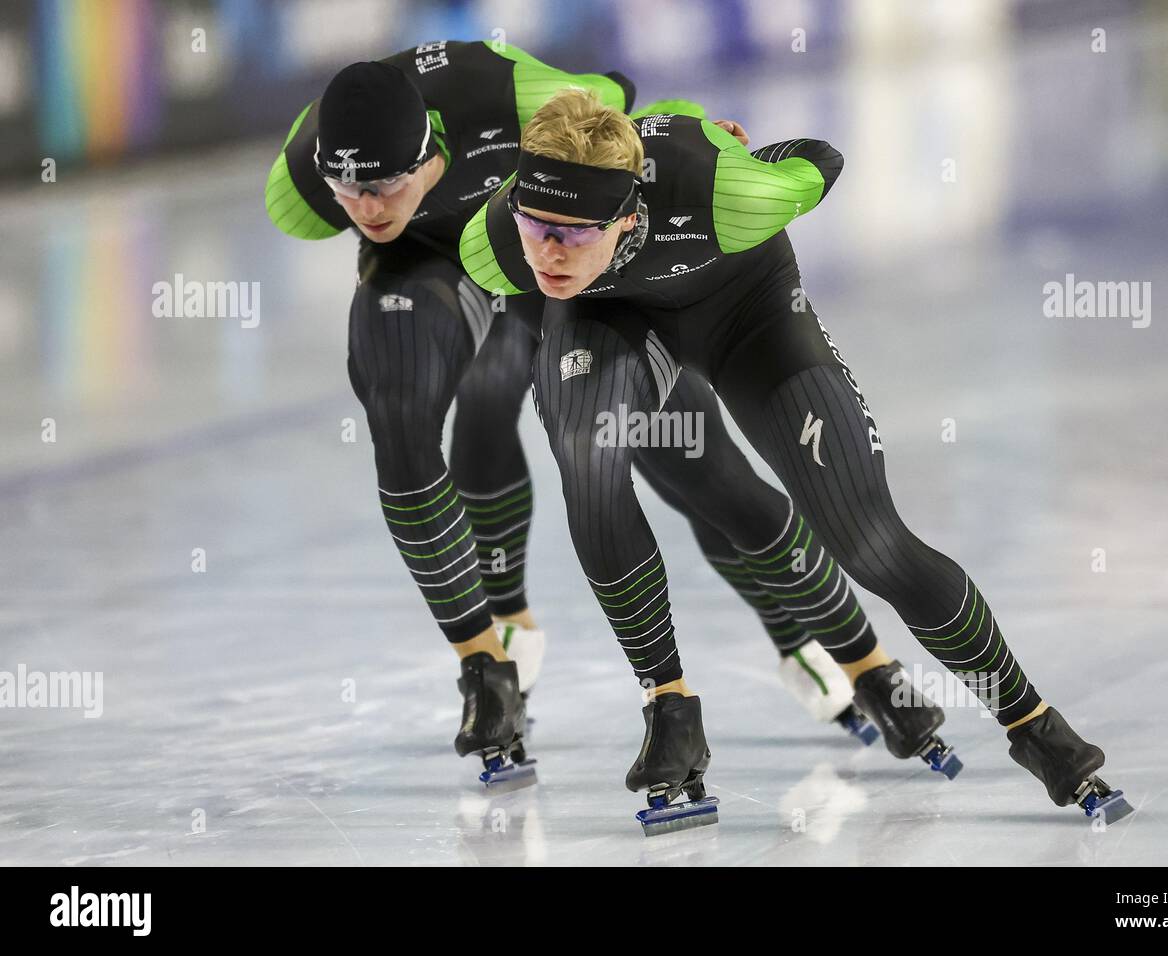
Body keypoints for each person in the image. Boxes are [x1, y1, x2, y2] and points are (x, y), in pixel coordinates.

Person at [266, 42, 952, 795]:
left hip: (544, 264)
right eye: (346, 190)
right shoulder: (299, 183)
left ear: (433, 149)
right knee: (410, 423)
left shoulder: (504, 94)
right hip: (425, 270)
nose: (366, 208)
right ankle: (486, 665)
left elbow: (619, 117)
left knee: (706, 479)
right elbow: (349, 202)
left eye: (387, 185)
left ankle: (850, 655)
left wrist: (700, 135)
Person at [461, 88, 1131, 827]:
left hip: (748, 312)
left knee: (871, 544)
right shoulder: (493, 241)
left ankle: (1031, 722)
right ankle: (670, 707)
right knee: (588, 465)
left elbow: (821, 157)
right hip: (610, 316)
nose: (549, 250)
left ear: (624, 218)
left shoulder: (725, 191)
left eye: (575, 233)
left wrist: (751, 155)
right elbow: (540, 299)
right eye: (535, 225)